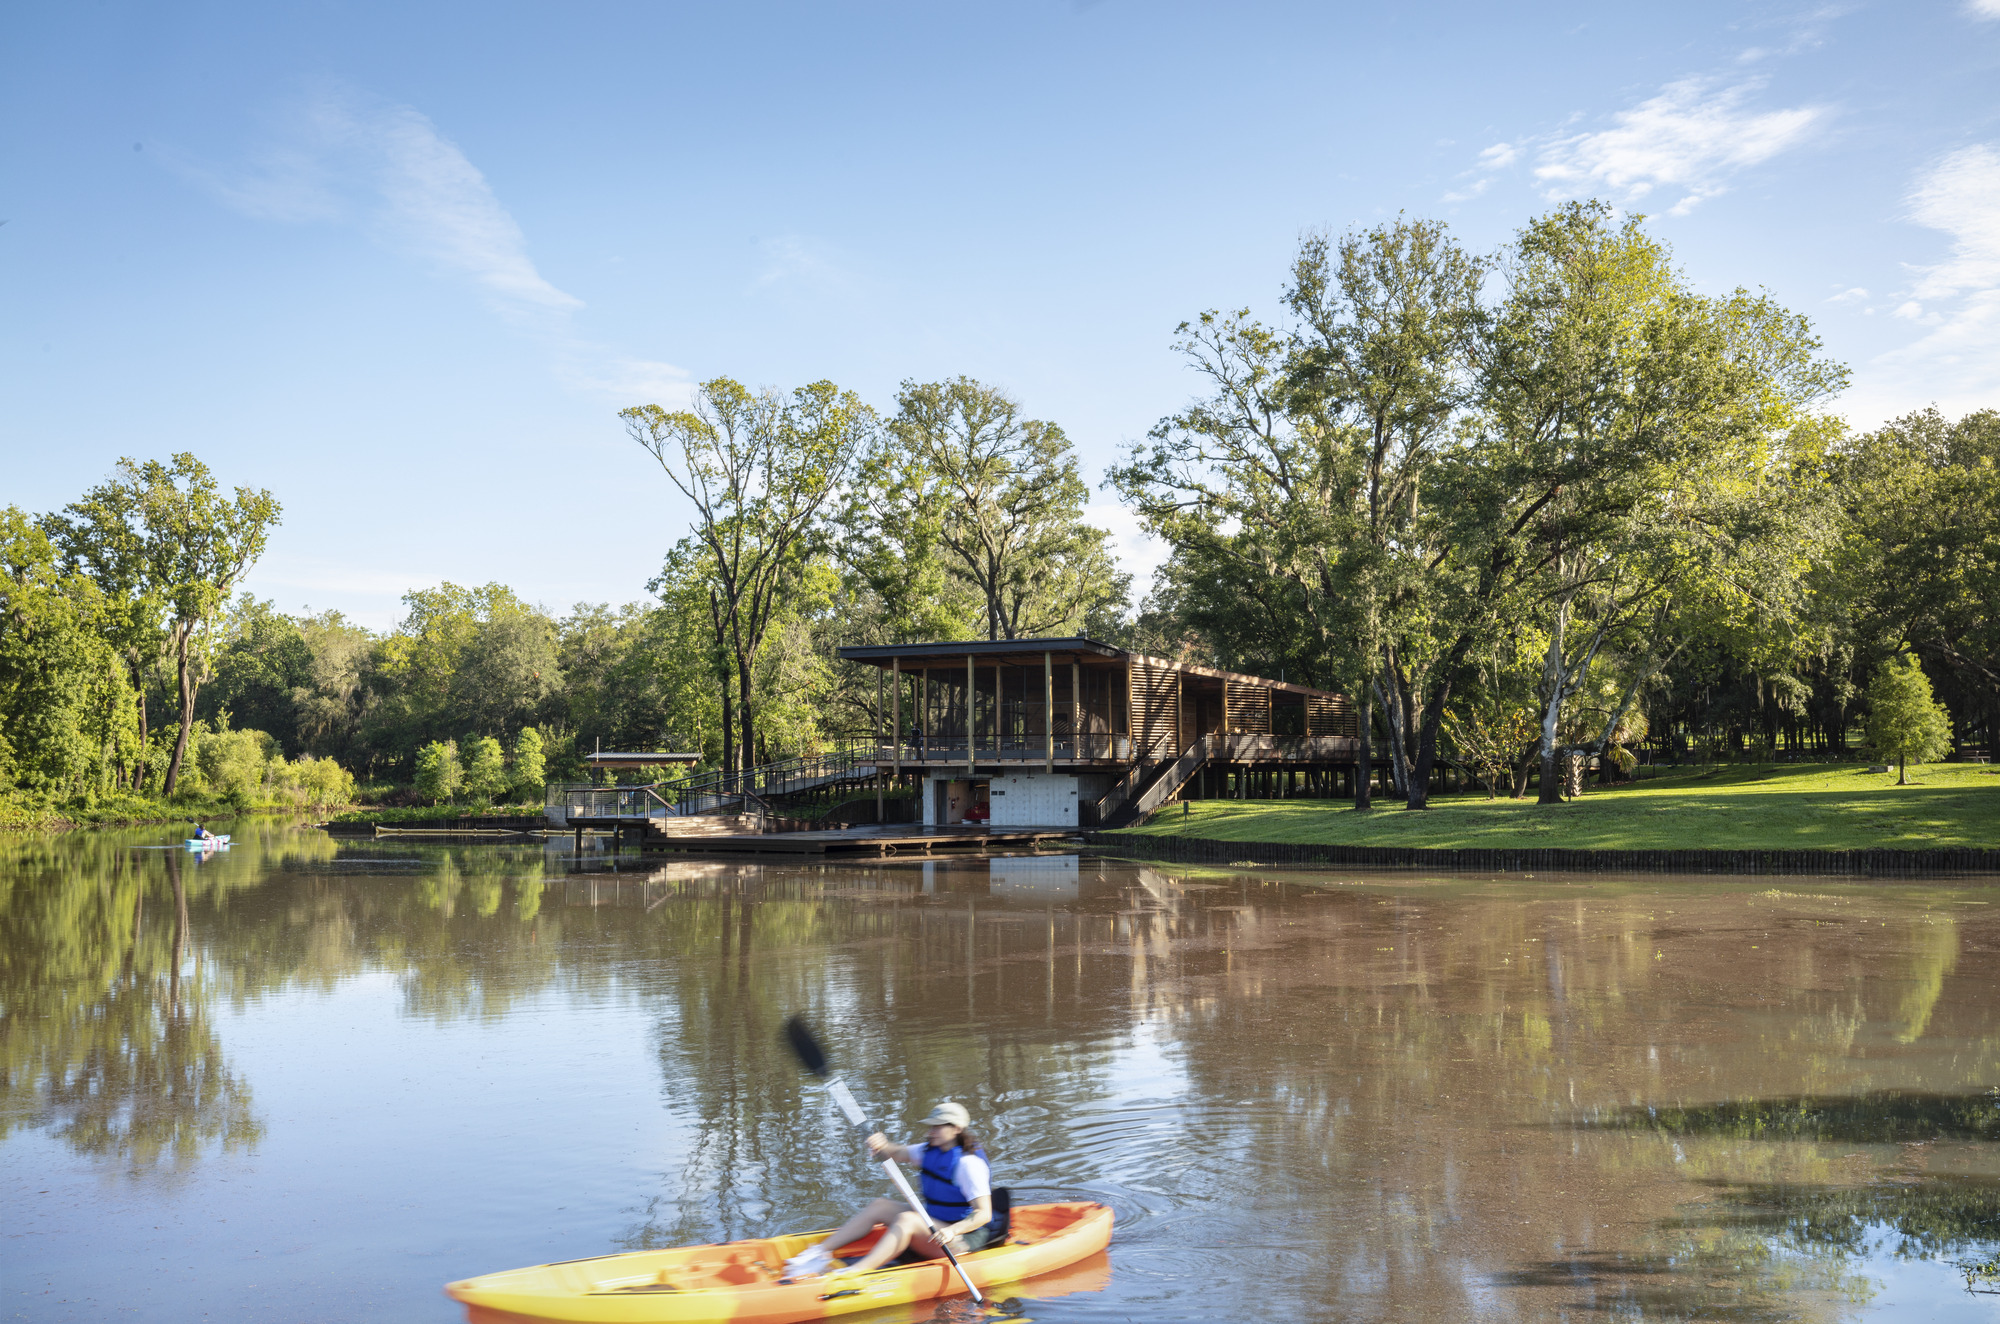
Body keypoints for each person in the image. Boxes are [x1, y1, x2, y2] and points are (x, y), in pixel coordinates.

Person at [784, 1100, 998, 1280]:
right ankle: (818, 1253)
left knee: (907, 1219)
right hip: (935, 1223)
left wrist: (953, 1231)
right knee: (880, 1206)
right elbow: (894, 1152)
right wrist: (880, 1143)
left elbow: (984, 1214)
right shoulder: (929, 1151)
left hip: (961, 1239)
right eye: (930, 1126)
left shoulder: (969, 1164)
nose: (930, 1131)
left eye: (937, 1127)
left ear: (956, 1129)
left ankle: (855, 1273)